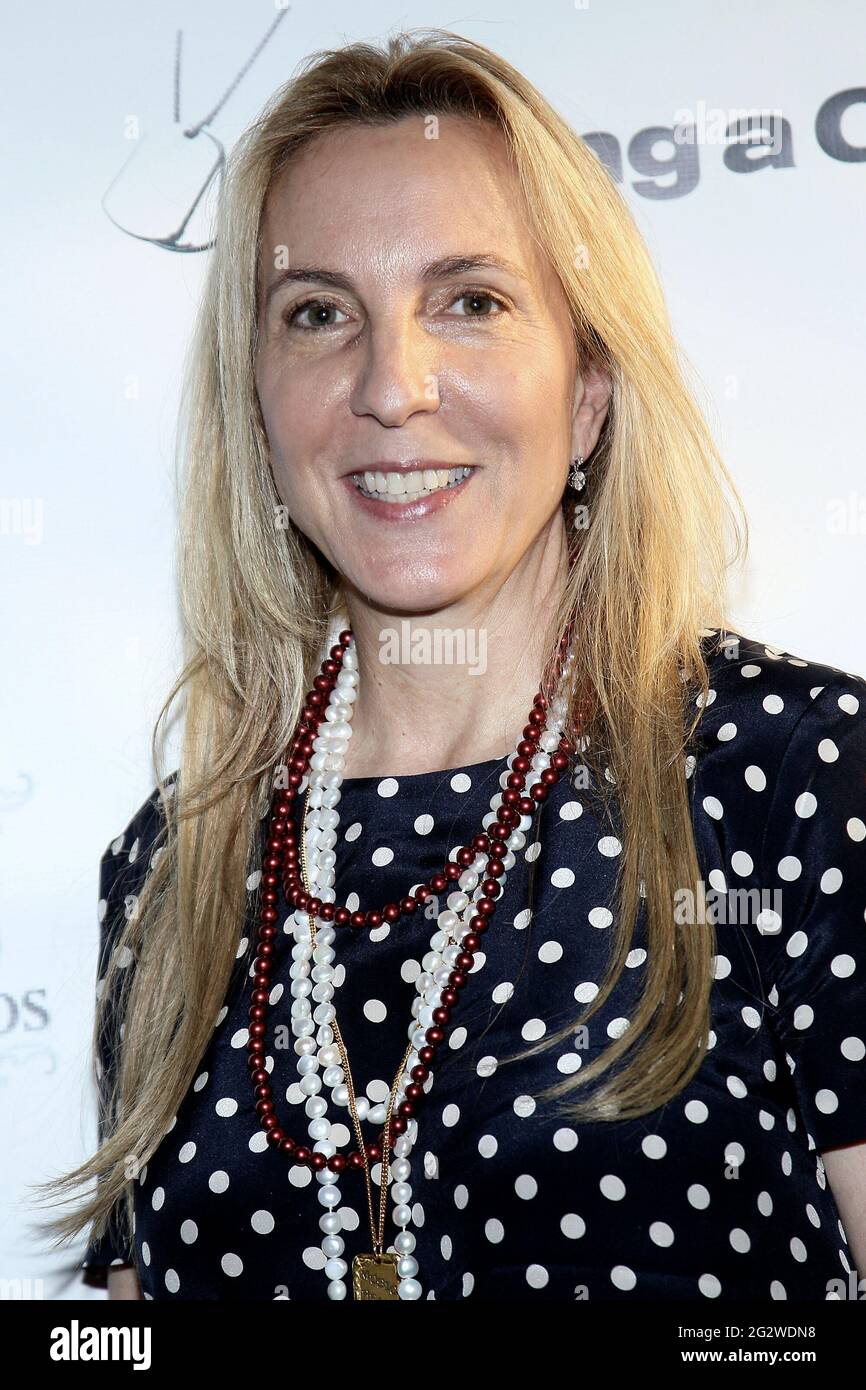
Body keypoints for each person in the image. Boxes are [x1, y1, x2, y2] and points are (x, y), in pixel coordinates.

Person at [32, 28, 866, 1301]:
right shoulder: (173, 870)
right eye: (318, 314)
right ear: (256, 402)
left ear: (588, 383)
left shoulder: (792, 772)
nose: (390, 386)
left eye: (468, 302)